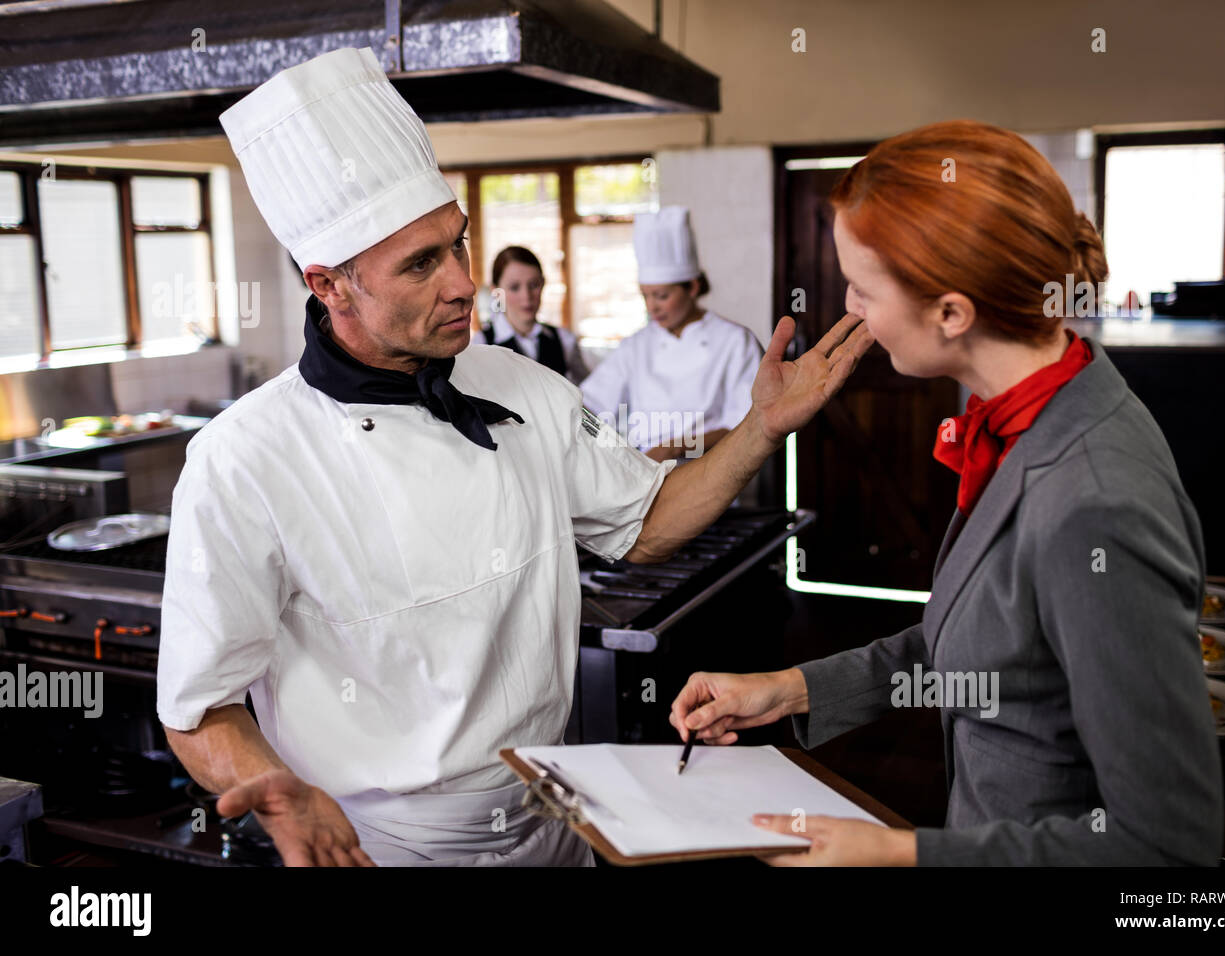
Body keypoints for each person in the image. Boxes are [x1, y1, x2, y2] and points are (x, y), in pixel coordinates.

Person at [154, 47, 874, 867]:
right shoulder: (243, 459)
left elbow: (644, 525)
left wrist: (758, 428)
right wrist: (283, 796)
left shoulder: (524, 386)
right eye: (422, 265)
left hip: (554, 816)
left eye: (458, 245)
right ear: (328, 285)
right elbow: (199, 706)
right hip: (381, 848)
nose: (465, 285)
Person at [669, 120, 1224, 866]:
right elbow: (984, 649)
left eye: (863, 289)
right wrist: (785, 689)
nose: (850, 309)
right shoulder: (1024, 413)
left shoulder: (1096, 505)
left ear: (952, 313)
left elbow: (1165, 847)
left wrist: (899, 853)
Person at [580, 206, 763, 461]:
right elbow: (590, 405)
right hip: (648, 473)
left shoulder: (735, 341)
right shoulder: (636, 345)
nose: (652, 306)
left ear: (692, 287)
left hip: (711, 472)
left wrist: (675, 448)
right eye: (646, 295)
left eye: (662, 296)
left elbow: (748, 424)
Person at [471, 245, 589, 384]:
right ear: (496, 292)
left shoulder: (565, 340)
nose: (526, 297)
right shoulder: (480, 346)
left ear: (543, 284)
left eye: (534, 285)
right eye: (514, 287)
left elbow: (588, 393)